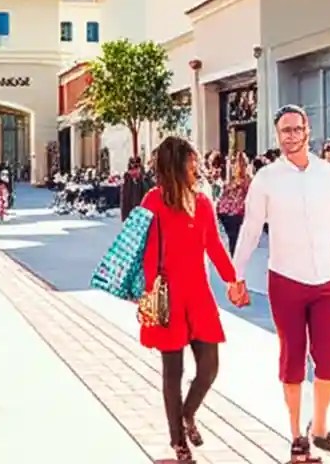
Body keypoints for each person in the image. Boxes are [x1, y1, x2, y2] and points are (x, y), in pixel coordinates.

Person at [231, 104, 330, 462]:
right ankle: (296, 437)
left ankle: (319, 427)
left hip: (326, 281)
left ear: (308, 131)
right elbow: (250, 228)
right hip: (285, 279)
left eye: (297, 128)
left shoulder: (329, 175)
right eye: (285, 130)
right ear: (278, 135)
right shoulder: (266, 179)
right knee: (292, 359)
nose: (291, 136)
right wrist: (236, 274)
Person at [139, 136, 244, 463]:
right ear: (176, 165)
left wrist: (233, 279)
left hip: (198, 294)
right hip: (166, 295)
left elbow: (214, 245)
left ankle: (187, 413)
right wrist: (147, 293)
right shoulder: (153, 202)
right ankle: (178, 441)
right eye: (191, 161)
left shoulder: (202, 203)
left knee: (209, 367)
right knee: (173, 372)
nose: (196, 167)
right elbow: (144, 250)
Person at [216, 150, 251, 255]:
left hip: (232, 212)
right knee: (234, 238)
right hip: (230, 213)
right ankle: (234, 257)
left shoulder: (244, 180)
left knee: (234, 239)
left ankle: (234, 257)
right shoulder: (234, 179)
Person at [120, 156, 150, 221]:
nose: (134, 170)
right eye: (132, 168)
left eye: (136, 167)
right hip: (131, 213)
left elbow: (147, 194)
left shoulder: (144, 179)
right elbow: (124, 198)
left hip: (143, 213)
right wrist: (124, 217)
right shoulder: (127, 179)